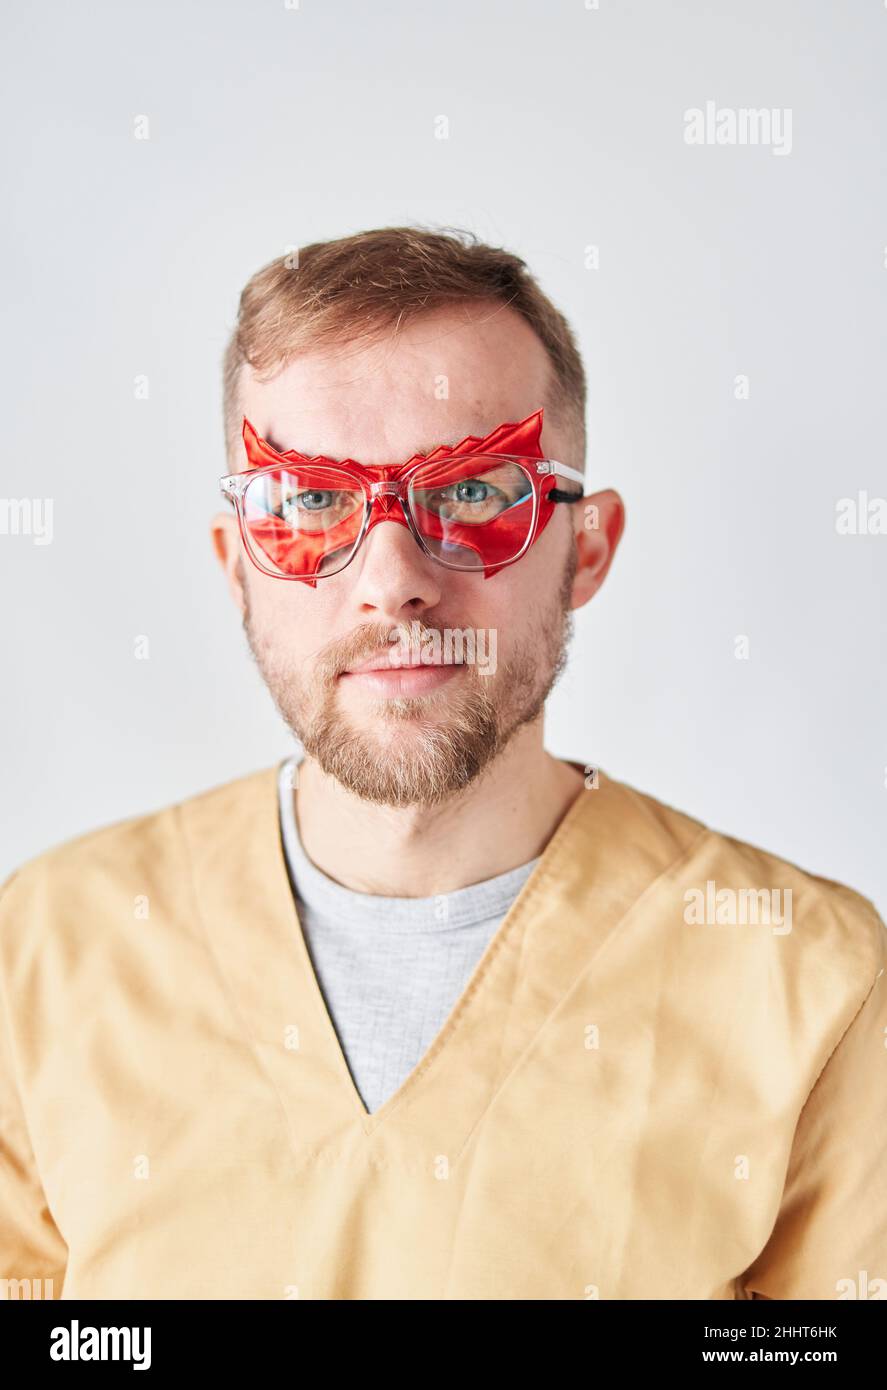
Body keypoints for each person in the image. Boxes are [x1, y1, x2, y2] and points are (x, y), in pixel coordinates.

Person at [1, 227, 884, 1302]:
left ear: (587, 547)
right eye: (309, 503)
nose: (391, 581)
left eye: (471, 494)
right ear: (236, 567)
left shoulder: (809, 982)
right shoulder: (44, 956)